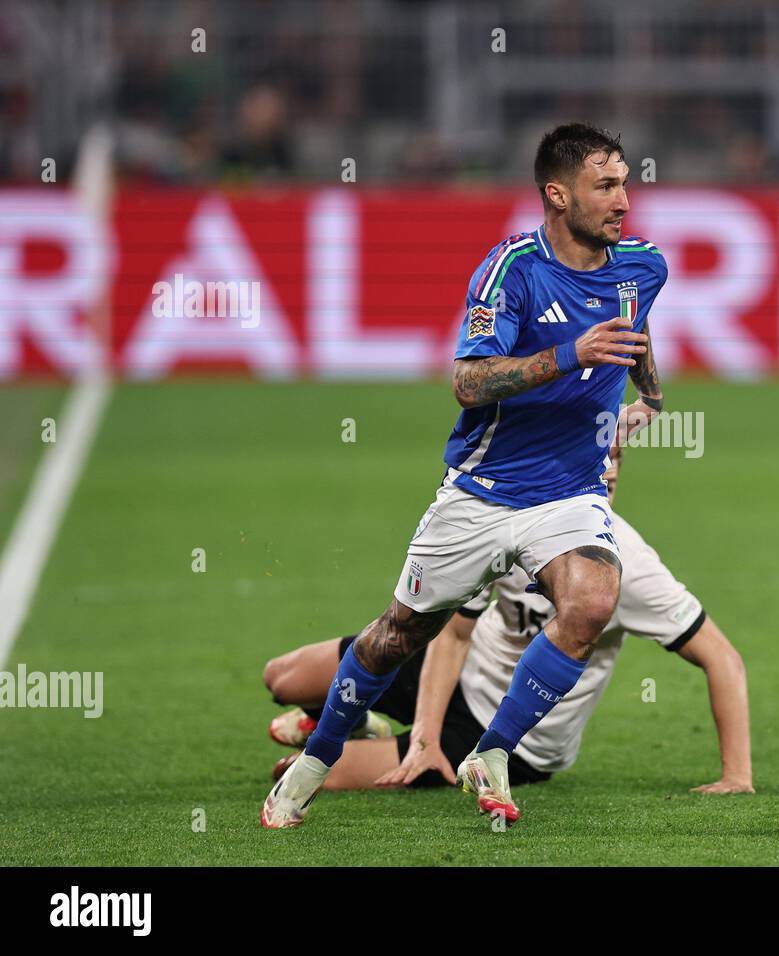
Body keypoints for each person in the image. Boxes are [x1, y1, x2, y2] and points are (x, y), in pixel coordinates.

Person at [262, 123, 667, 828]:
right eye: (606, 185)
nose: (624, 199)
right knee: (394, 636)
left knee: (594, 601)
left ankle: (493, 751)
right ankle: (314, 761)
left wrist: (650, 396)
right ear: (557, 193)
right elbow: (468, 383)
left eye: (626, 181)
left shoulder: (643, 265)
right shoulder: (512, 270)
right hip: (482, 493)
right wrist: (571, 353)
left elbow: (633, 324)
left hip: (568, 494)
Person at [261, 450, 752, 802]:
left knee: (294, 773)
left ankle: (362, 733)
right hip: (461, 675)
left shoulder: (630, 567)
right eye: (595, 452)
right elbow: (453, 634)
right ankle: (362, 720)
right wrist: (426, 736)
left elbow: (722, 657)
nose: (606, 466)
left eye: (615, 456)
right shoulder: (510, 522)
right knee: (280, 678)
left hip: (526, 738)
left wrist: (737, 776)